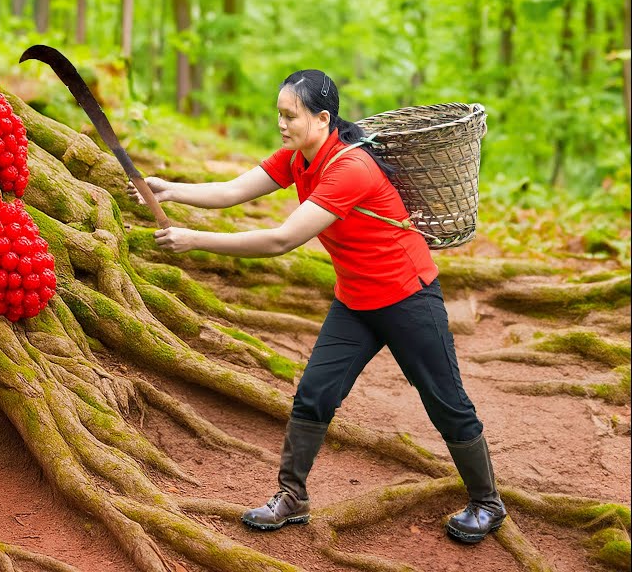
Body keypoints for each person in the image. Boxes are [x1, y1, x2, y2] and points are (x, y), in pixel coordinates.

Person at [129, 70, 506, 543]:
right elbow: (230, 192)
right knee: (314, 394)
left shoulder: (351, 169)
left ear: (323, 117)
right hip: (356, 301)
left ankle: (487, 503)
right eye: (279, 115)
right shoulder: (298, 157)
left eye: (291, 115)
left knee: (445, 401)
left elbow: (282, 239)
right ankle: (292, 498)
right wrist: (167, 188)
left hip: (408, 296)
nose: (282, 124)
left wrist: (195, 240)